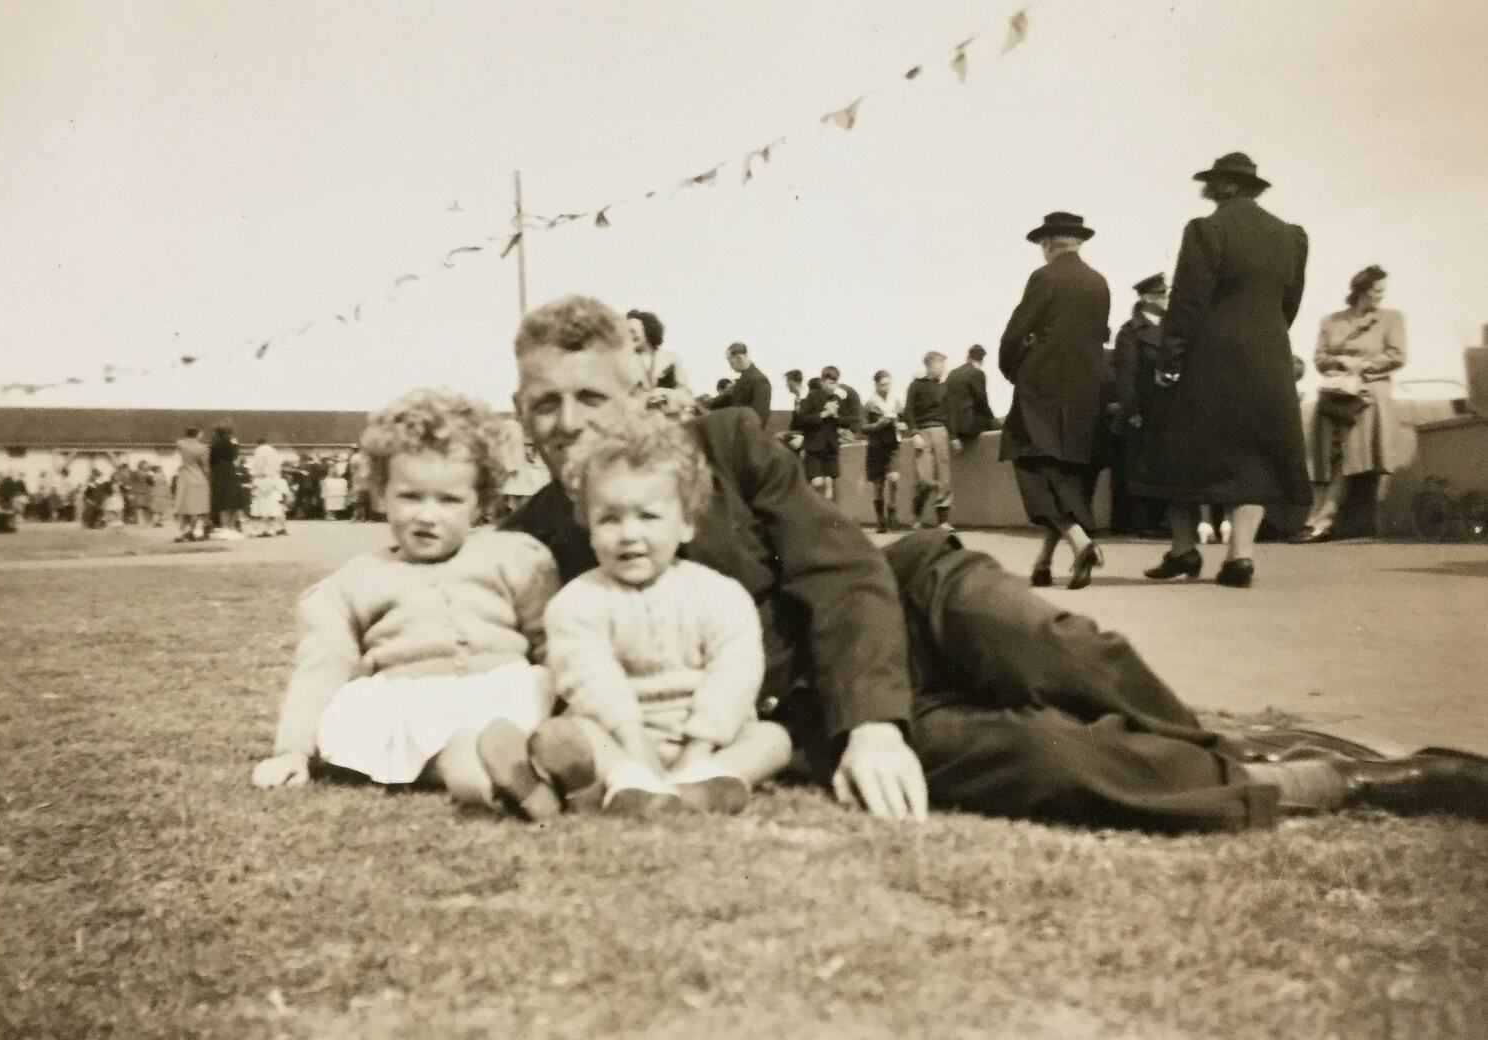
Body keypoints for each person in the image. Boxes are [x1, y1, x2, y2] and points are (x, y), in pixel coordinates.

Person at [502, 294, 1488, 830]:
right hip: (803, 714)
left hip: (905, 600)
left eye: (591, 397)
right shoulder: (539, 532)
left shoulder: (728, 439)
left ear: (635, 385)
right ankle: (1332, 780)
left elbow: (842, 570)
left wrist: (878, 722)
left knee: (1054, 649)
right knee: (1045, 758)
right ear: (520, 413)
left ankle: (1241, 735)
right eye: (545, 404)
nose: (569, 424)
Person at [251, 388, 564, 820]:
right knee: (355, 710)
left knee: (541, 687)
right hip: (415, 706)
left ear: (481, 501)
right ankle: (468, 767)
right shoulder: (355, 581)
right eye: (411, 497)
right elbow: (322, 666)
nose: (427, 515)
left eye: (449, 499)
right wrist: (292, 750)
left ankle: (540, 761)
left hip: (503, 692)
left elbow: (550, 640)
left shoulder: (512, 556)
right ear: (380, 494)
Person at [535, 410, 793, 816]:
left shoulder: (718, 594)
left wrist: (699, 747)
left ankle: (704, 782)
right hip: (621, 734)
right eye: (609, 519)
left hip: (709, 737)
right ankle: (626, 780)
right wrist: (634, 744)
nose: (629, 534)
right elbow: (588, 677)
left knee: (774, 739)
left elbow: (735, 670)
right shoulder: (577, 601)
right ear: (587, 523)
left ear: (687, 523)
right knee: (576, 730)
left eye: (649, 517)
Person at [1131, 153, 1310, 588]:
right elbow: (1291, 302)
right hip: (1268, 358)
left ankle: (1183, 550)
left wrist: (1170, 360)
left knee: (1174, 452)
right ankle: (1240, 557)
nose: (1206, 191)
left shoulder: (1206, 229)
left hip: (1208, 357)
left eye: (1212, 183)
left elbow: (1188, 302)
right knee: (1256, 460)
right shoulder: (1292, 236)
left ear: (1226, 187)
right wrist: (1264, 340)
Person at [999, 212, 1111, 589]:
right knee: (1067, 473)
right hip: (1086, 393)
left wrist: (1016, 368)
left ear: (1047, 244)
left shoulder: (1045, 277)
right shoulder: (1099, 282)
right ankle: (1044, 561)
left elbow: (1015, 333)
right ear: (1078, 242)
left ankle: (1079, 541)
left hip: (1043, 389)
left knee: (1034, 467)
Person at [1296, 265, 1407, 543]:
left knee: (1346, 457)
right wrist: (1339, 363)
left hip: (1366, 397)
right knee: (1325, 459)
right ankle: (1316, 518)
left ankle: (1323, 520)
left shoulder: (1391, 319)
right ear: (1361, 290)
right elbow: (1320, 359)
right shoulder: (1331, 322)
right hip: (1336, 394)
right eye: (1376, 291)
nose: (1381, 296)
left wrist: (1363, 365)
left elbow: (1397, 355)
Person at [1109, 273, 1172, 537]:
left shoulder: (1173, 328)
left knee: (1163, 464)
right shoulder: (1130, 332)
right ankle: (1142, 522)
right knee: (1140, 466)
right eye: (1162, 294)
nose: (1167, 299)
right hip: (1143, 411)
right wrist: (1132, 410)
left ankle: (1156, 519)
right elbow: (1125, 376)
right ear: (1147, 299)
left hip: (1169, 409)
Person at [902, 352, 954, 530]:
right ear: (930, 365)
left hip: (941, 431)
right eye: (941, 364)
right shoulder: (916, 386)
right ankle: (917, 515)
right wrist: (914, 433)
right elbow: (908, 411)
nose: (943, 369)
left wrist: (953, 437)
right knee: (924, 479)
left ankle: (943, 520)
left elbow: (950, 413)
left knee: (944, 476)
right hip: (923, 432)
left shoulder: (945, 387)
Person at [625, 309, 695, 416]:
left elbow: (689, 397)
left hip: (670, 423)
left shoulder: (671, 359)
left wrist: (666, 395)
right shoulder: (623, 363)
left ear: (648, 330)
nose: (629, 336)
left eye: (633, 331)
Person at [861, 370, 907, 533]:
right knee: (878, 485)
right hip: (876, 447)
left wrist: (902, 425)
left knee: (894, 478)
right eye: (882, 384)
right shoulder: (870, 404)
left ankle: (892, 509)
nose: (886, 387)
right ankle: (880, 519)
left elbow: (904, 420)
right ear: (876, 385)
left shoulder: (896, 401)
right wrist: (878, 424)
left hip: (893, 444)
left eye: (888, 384)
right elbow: (862, 427)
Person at [793, 369, 846, 501]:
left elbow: (848, 422)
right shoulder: (812, 396)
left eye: (835, 383)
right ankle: (807, 505)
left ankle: (826, 517)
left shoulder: (838, 399)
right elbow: (802, 419)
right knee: (817, 483)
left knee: (829, 487)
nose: (833, 386)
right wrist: (823, 414)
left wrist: (835, 416)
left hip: (830, 447)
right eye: (830, 382)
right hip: (814, 447)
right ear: (822, 382)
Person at [707, 342, 773, 428]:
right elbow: (726, 400)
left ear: (739, 358)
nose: (731, 367)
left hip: (746, 435)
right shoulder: (743, 379)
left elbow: (759, 416)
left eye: (731, 363)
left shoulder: (759, 380)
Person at [944, 344, 998, 445]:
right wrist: (993, 419)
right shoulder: (977, 373)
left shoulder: (952, 373)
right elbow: (982, 401)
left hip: (953, 426)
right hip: (969, 425)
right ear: (982, 360)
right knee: (998, 425)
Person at [173, 429, 210, 542]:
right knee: (200, 505)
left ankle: (183, 531)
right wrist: (209, 476)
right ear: (198, 434)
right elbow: (205, 465)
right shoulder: (202, 448)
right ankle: (197, 531)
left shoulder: (181, 445)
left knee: (185, 505)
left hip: (184, 477)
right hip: (198, 476)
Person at [248, 437, 288, 538]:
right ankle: (281, 528)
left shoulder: (259, 451)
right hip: (275, 479)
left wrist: (253, 475)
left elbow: (258, 466)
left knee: (264, 505)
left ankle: (266, 529)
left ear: (258, 444)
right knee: (275, 504)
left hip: (263, 479)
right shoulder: (274, 451)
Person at [208, 424, 244, 539]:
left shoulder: (213, 444)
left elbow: (211, 460)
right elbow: (234, 456)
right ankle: (231, 527)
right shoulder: (232, 443)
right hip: (230, 471)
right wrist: (235, 445)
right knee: (234, 502)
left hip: (218, 473)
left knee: (222, 502)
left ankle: (224, 528)